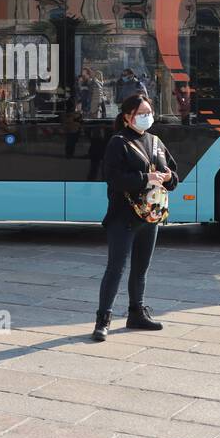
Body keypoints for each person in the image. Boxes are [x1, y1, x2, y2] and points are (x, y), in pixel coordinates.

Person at [92, 94, 179, 342]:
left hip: (150, 216)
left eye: (148, 112)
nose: (146, 116)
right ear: (128, 116)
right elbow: (114, 179)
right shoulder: (118, 143)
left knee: (141, 269)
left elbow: (174, 176)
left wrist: (167, 177)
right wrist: (146, 178)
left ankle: (136, 313)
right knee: (116, 268)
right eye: (141, 113)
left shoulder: (155, 142)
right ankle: (103, 320)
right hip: (123, 216)